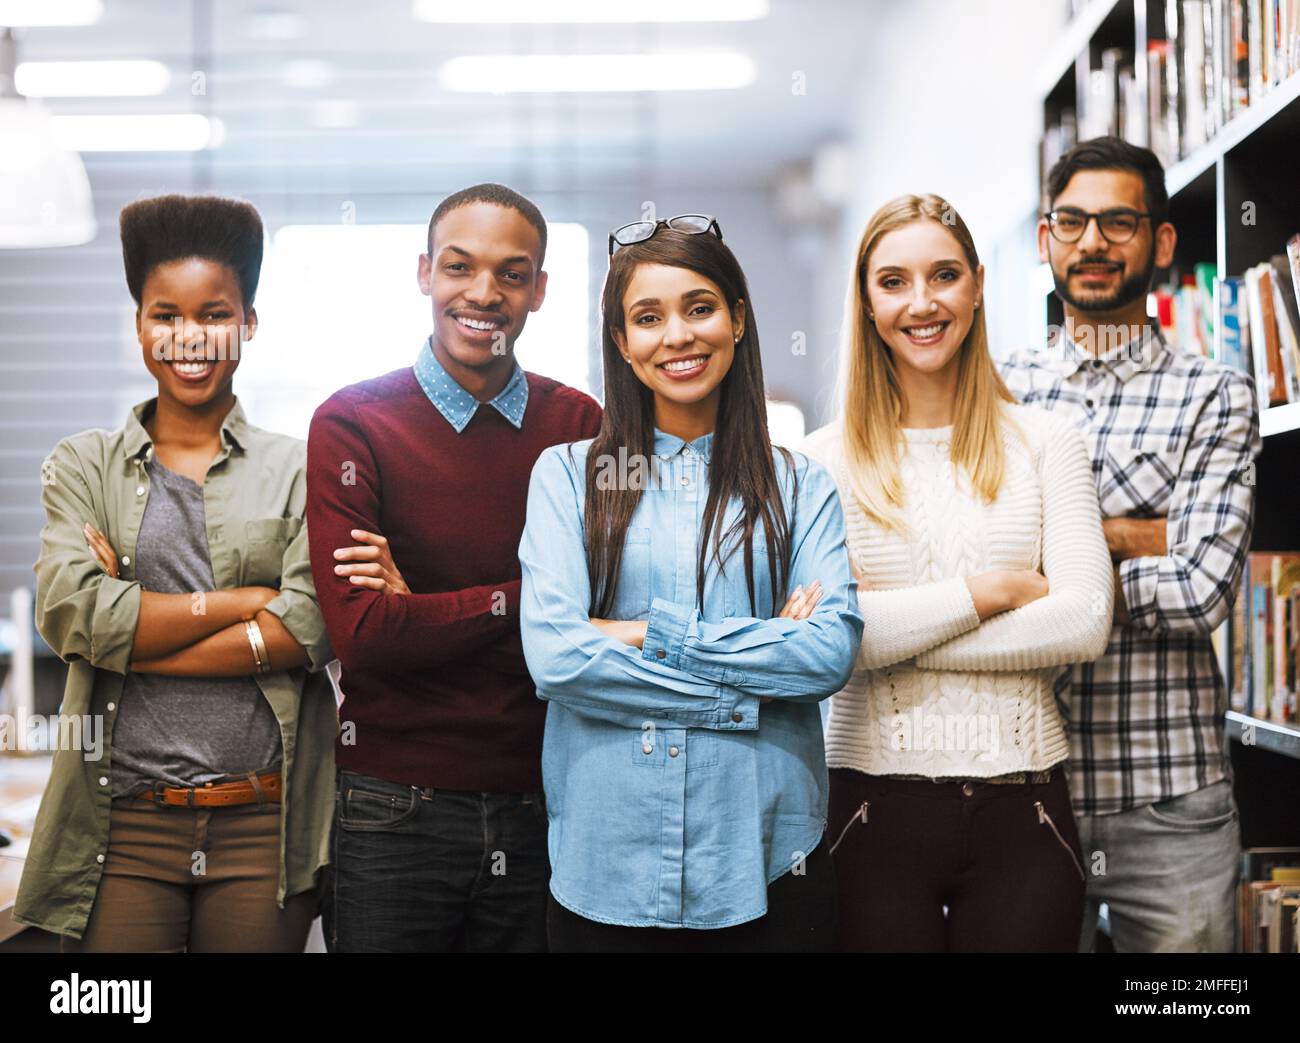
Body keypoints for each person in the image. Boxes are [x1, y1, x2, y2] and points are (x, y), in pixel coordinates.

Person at [518, 214, 863, 953]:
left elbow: (827, 654)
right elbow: (556, 656)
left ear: (737, 319)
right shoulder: (567, 478)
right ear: (621, 341)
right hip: (606, 872)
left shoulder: (800, 487)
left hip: (768, 865)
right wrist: (751, 682)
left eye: (699, 307)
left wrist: (647, 632)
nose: (677, 335)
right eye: (648, 317)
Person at [14, 194, 336, 952]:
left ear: (248, 323)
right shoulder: (84, 464)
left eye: (214, 314)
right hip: (119, 823)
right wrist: (243, 604)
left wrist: (126, 626)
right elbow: (69, 614)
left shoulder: (301, 467)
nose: (189, 337)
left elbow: (313, 624)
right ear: (139, 327)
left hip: (263, 825)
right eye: (166, 315)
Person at [800, 193, 1114, 952]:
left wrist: (883, 627)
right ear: (867, 301)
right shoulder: (817, 461)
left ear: (977, 284)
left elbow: (1083, 622)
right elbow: (820, 647)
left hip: (1024, 809)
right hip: (869, 813)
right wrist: (994, 592)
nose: (922, 302)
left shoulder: (1047, 442)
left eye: (943, 275)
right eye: (894, 281)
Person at [306, 183, 602, 953]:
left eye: (512, 273)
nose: (483, 293)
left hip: (542, 800)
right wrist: (533, 599)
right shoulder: (352, 423)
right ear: (423, 274)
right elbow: (365, 635)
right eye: (459, 267)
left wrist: (424, 607)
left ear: (540, 289)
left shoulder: (580, 427)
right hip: (390, 805)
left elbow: (595, 621)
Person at [997, 136, 1262, 953]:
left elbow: (1200, 593)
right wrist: (1138, 536)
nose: (1093, 243)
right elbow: (967, 569)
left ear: (1161, 241)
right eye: (1071, 222)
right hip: (1026, 789)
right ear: (1045, 239)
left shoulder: (1215, 394)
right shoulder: (997, 395)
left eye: (1119, 222)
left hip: (1171, 799)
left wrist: (1057, 551)